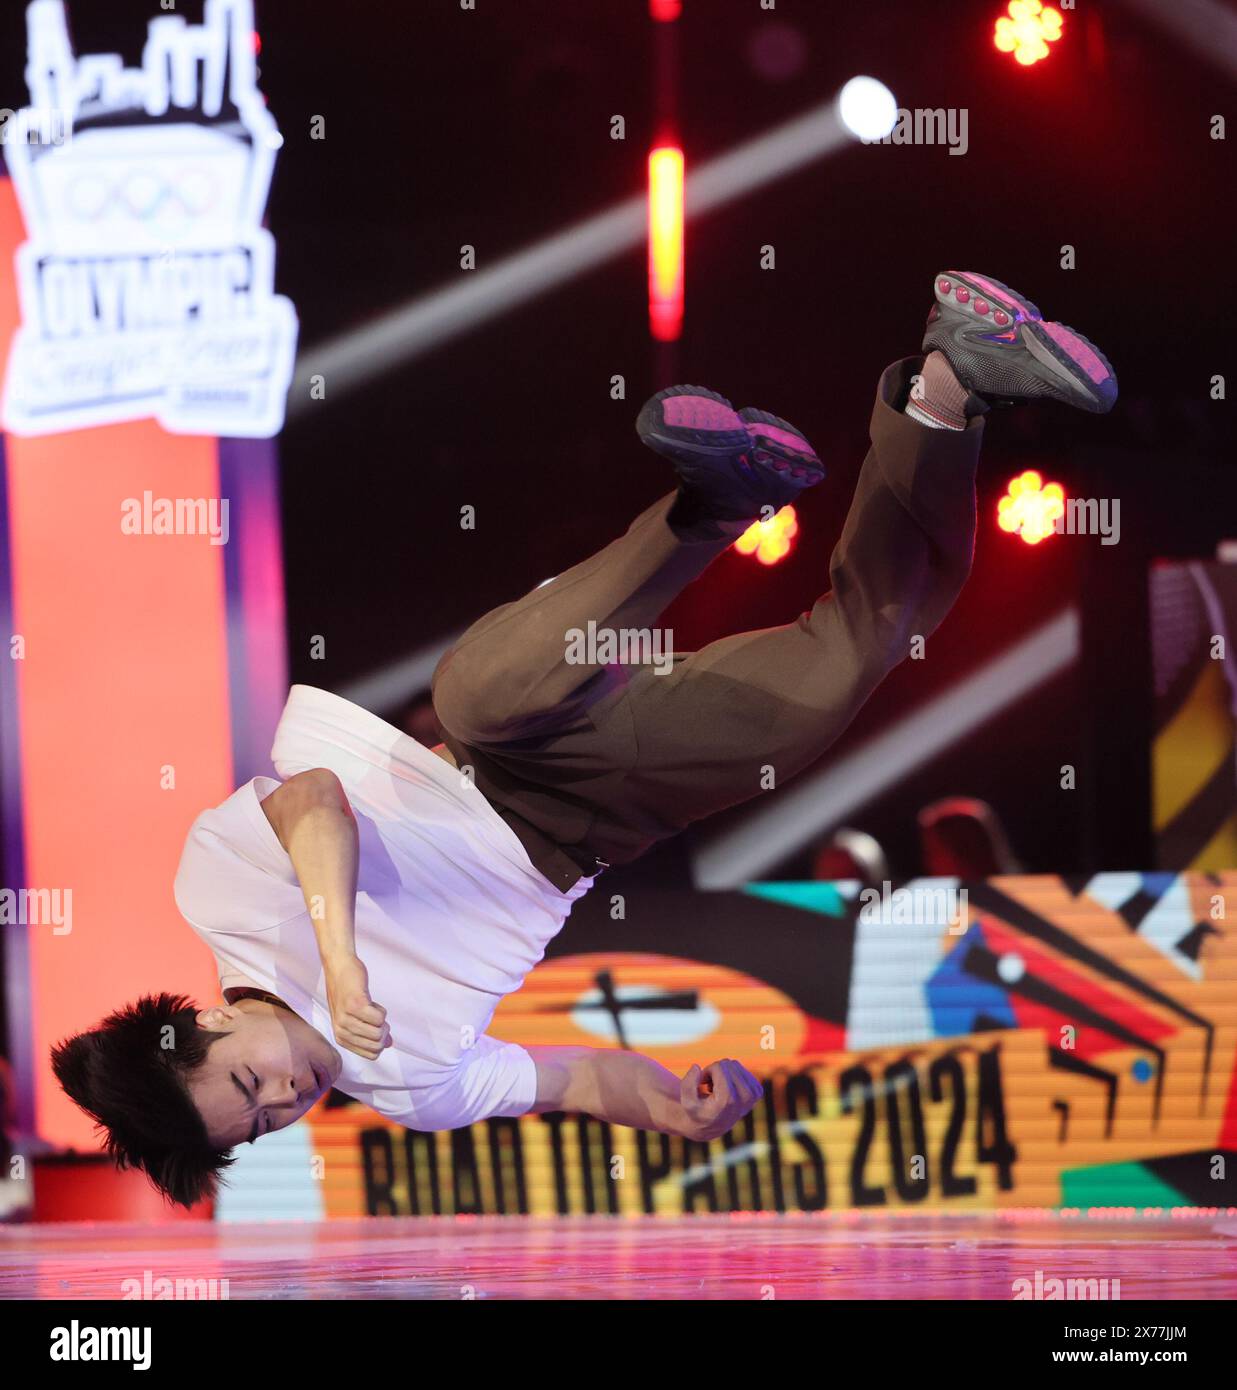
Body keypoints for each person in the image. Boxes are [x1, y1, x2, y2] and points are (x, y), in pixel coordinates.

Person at [52, 271, 1116, 1206]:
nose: (288, 1095)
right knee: (842, 669)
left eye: (248, 1082)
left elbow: (313, 800)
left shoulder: (217, 893)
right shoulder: (418, 1086)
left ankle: (708, 505)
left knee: (482, 691)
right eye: (269, 1122)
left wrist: (337, 960)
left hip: (488, 737)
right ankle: (947, 386)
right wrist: (686, 1106)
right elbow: (583, 1081)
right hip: (600, 809)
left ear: (195, 1020)